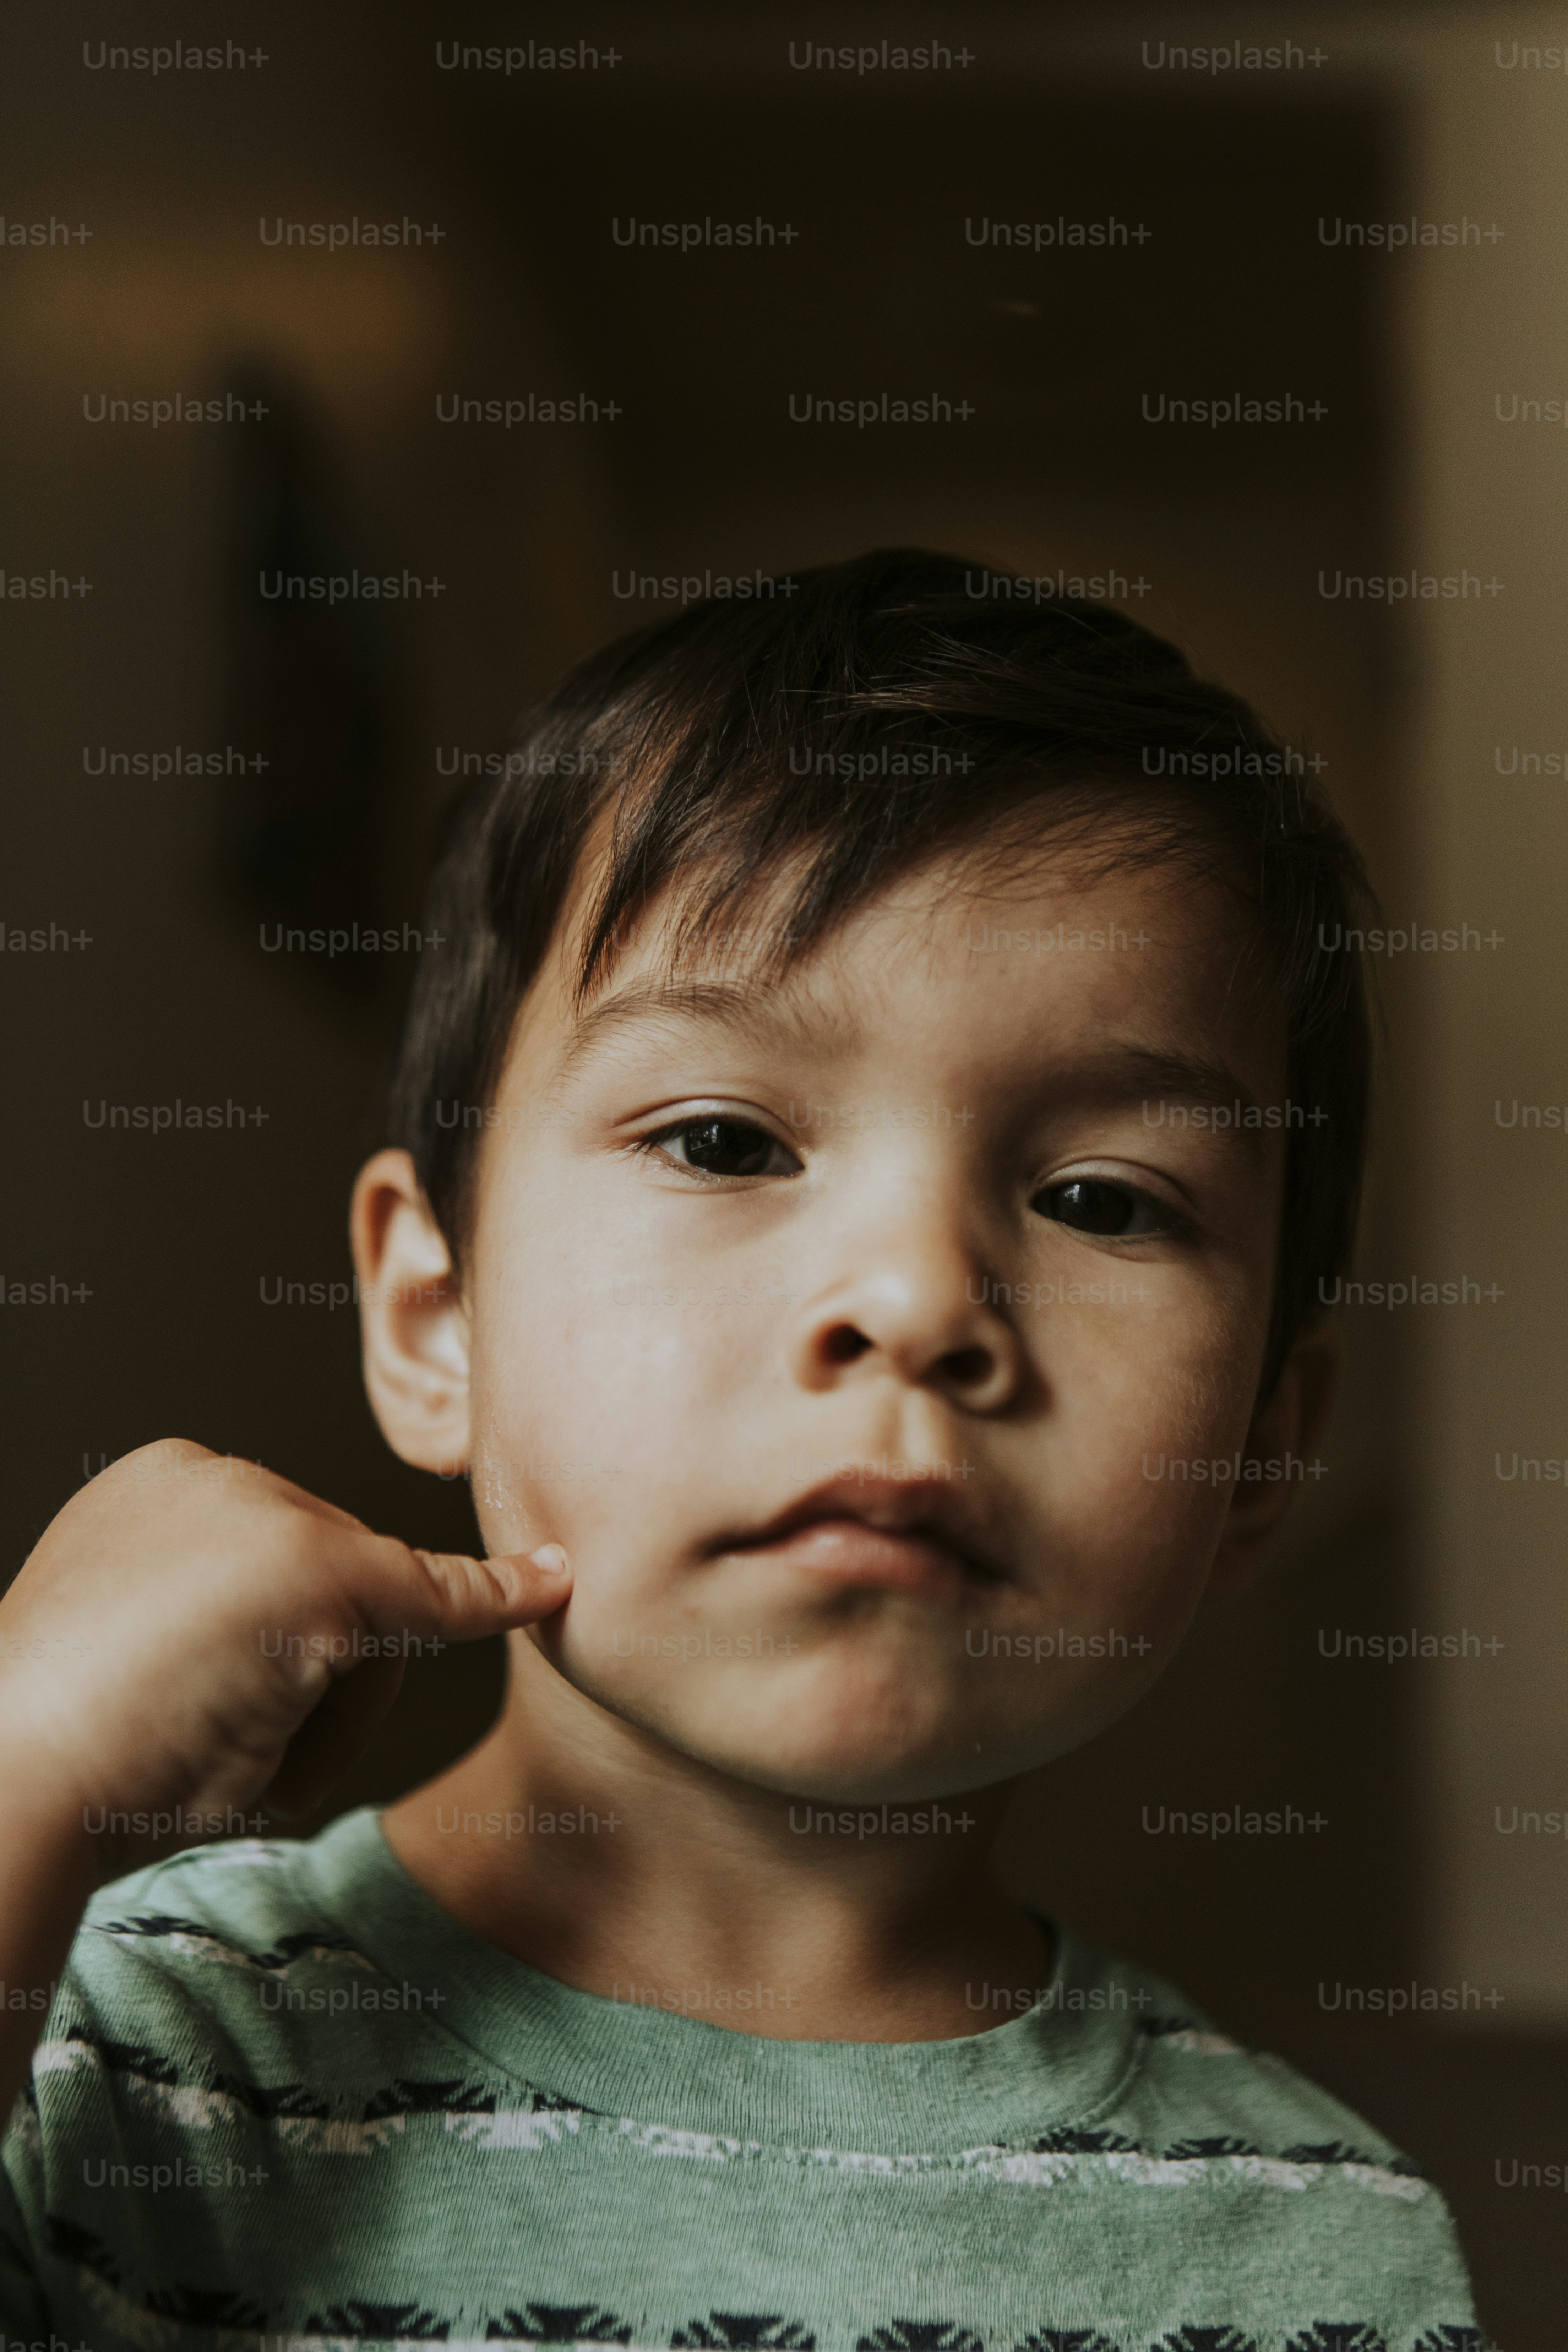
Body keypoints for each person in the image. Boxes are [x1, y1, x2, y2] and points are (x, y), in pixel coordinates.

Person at [0, 551, 1478, 2345]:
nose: (916, 1302)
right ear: (435, 1315)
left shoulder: (1323, 2254)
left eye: (1101, 1198)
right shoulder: (107, 2040)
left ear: (1256, 1453)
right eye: (722, 1142)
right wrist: (24, 1758)